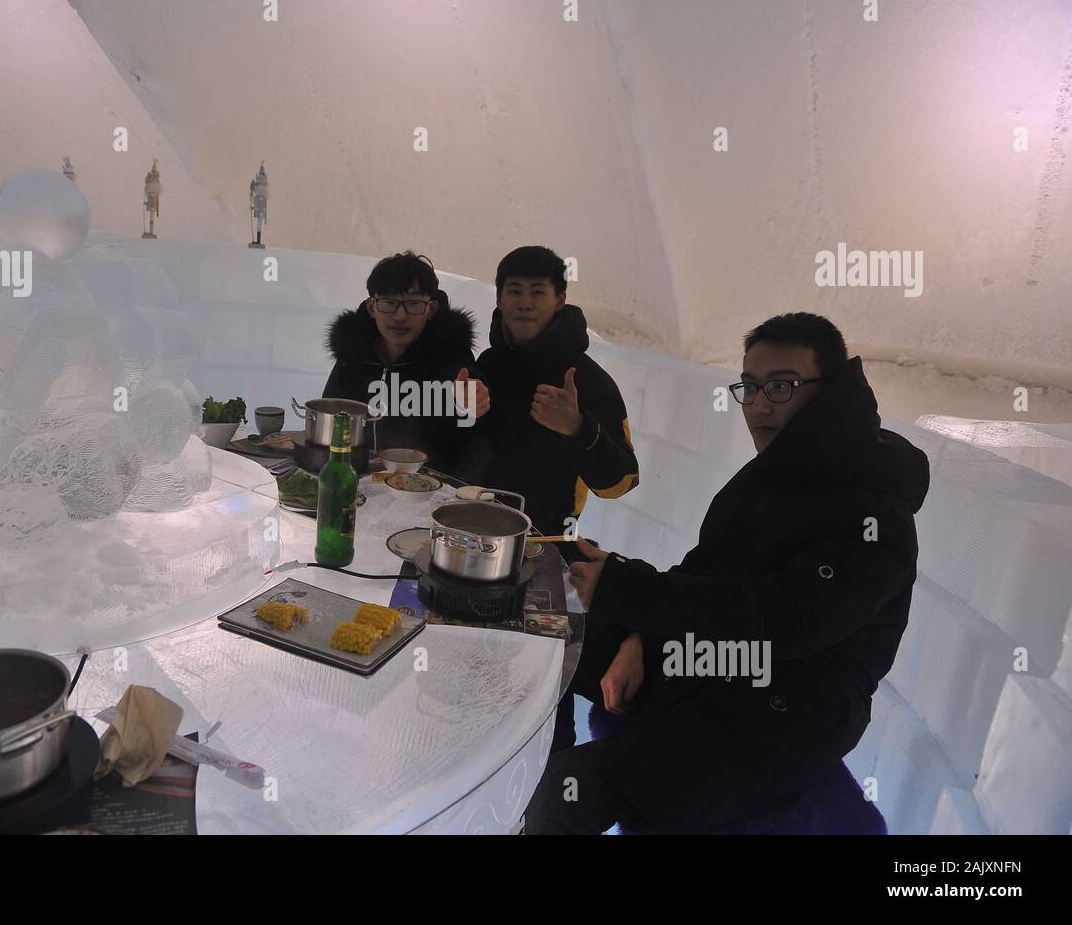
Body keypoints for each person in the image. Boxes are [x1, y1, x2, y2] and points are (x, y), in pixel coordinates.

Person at [525, 312, 930, 834]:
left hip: (785, 710)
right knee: (554, 629)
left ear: (831, 390)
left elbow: (785, 619)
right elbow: (707, 571)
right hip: (713, 660)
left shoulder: (877, 514)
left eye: (781, 387)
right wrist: (642, 638)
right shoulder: (776, 472)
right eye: (752, 387)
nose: (759, 406)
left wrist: (629, 591)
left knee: (566, 792)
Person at [459, 246, 638, 536]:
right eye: (515, 291)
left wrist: (580, 429)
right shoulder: (488, 365)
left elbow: (622, 482)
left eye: (538, 292)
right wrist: (458, 411)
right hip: (469, 528)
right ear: (499, 299)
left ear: (560, 301)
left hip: (546, 544)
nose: (525, 303)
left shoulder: (588, 380)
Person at [323, 251, 488, 473]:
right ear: (372, 307)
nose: (400, 316)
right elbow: (331, 419)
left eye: (413, 303)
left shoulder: (451, 361)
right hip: (359, 483)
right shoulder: (352, 358)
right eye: (389, 302)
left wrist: (472, 401)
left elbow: (471, 406)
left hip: (429, 493)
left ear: (431, 309)